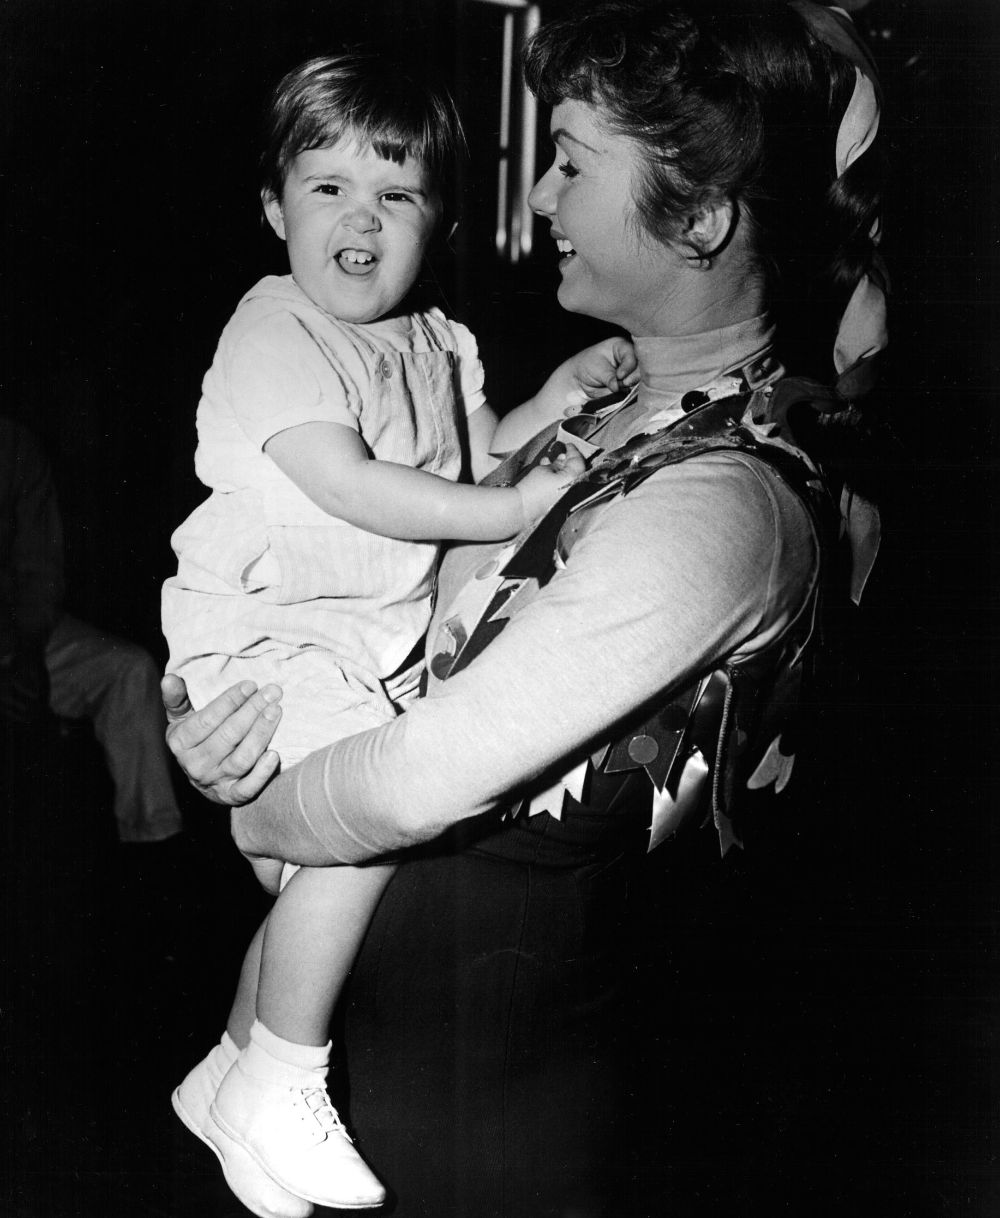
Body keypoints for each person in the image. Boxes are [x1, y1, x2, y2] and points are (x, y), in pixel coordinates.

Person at [163, 3, 887, 1215]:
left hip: (492, 1116)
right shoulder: (597, 418)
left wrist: (256, 817)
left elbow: (407, 779)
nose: (539, 199)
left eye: (569, 162)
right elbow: (367, 595)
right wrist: (230, 731)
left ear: (700, 217)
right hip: (375, 1051)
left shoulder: (722, 501)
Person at [161, 51, 637, 1214]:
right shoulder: (272, 331)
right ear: (275, 208)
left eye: (398, 193)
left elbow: (468, 465)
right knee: (356, 835)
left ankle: (227, 1066)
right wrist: (516, 507)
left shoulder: (442, 341)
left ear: (443, 220)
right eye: (326, 188)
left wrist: (552, 409)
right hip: (275, 629)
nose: (359, 219)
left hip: (363, 644)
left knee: (319, 873)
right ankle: (282, 1072)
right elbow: (359, 487)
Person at [0, 414, 183, 845]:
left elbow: (40, 567)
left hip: (16, 637)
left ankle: (153, 841)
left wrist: (25, 658)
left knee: (130, 670)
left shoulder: (14, 442)